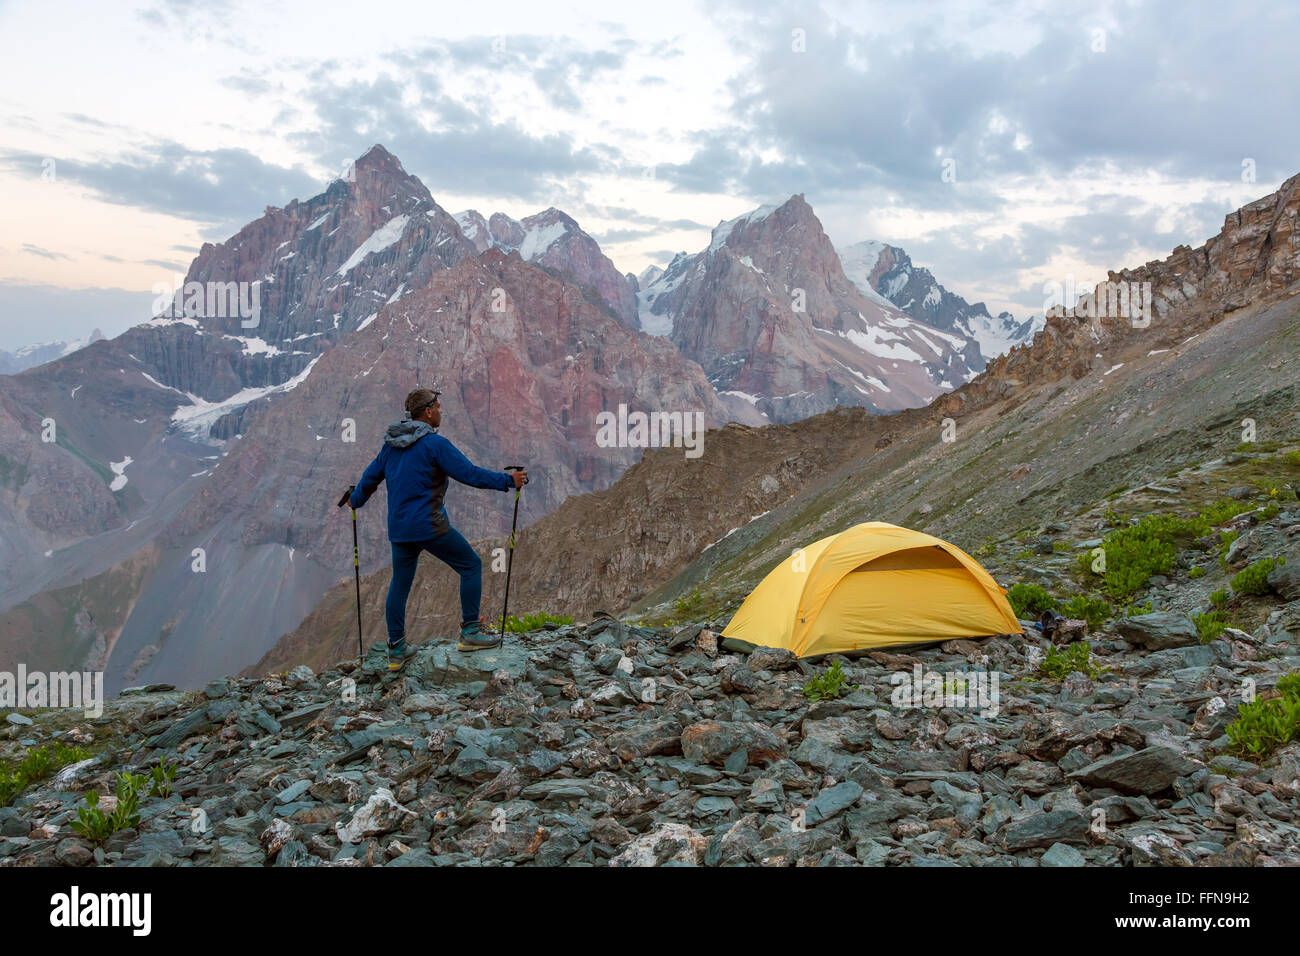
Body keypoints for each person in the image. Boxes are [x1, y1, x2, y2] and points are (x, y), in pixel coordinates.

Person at [348, 387, 527, 669]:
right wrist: (508, 481)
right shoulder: (435, 445)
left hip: (399, 530)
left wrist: (354, 500)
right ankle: (470, 632)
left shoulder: (391, 445)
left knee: (399, 585)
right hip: (429, 525)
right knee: (470, 565)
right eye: (439, 407)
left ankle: (396, 650)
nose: (441, 411)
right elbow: (470, 474)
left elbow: (369, 479)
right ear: (428, 411)